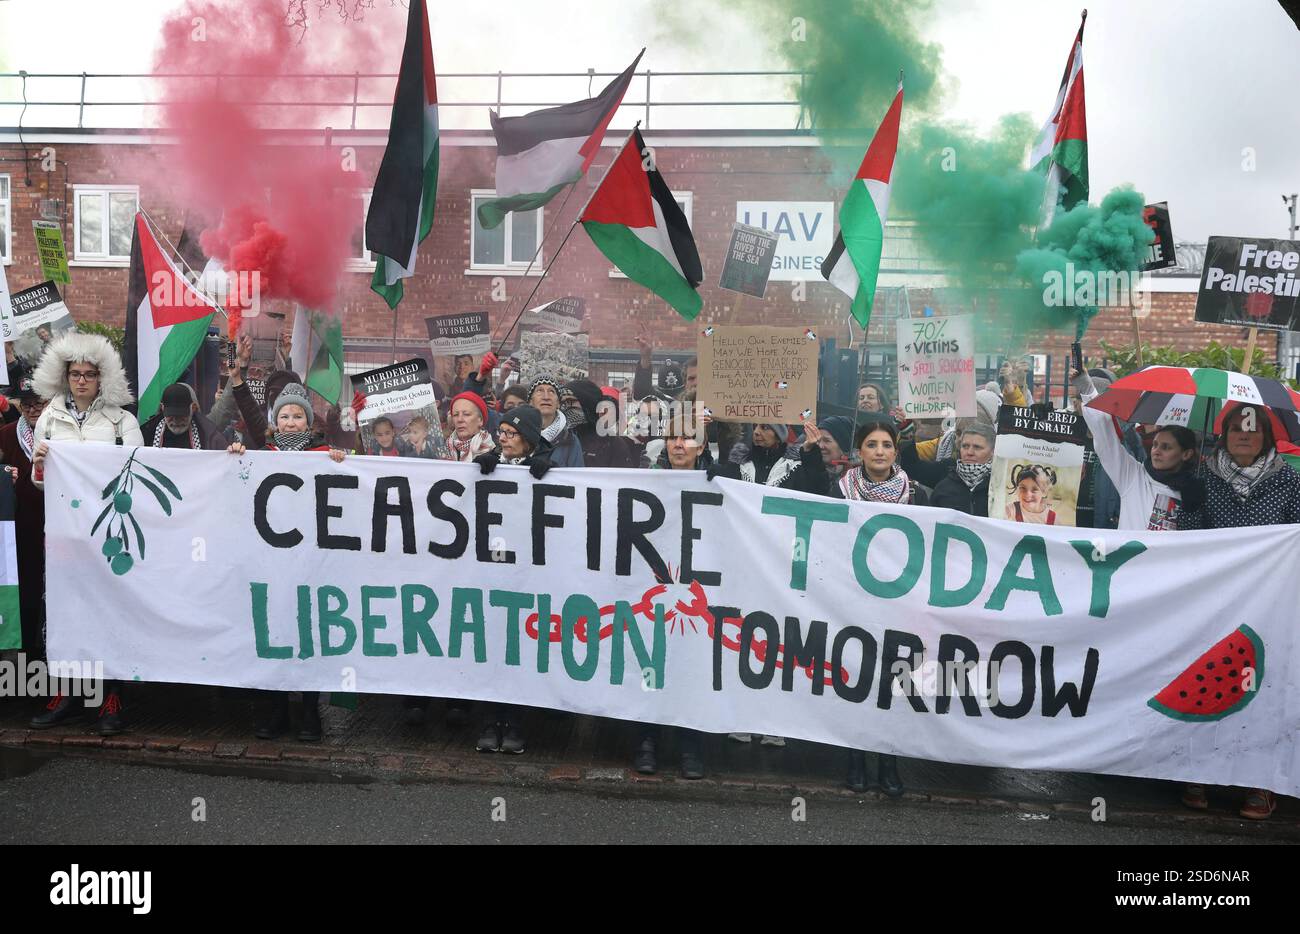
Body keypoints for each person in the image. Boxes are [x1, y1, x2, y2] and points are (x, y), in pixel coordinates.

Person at [1177, 402, 1300, 819]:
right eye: (1235, 430)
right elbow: (1187, 535)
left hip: (1271, 604)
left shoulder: (1290, 482)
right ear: (1224, 435)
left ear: (1266, 436)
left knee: (1263, 690)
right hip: (1216, 601)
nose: (1243, 436)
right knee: (1208, 684)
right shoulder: (1203, 479)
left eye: (1252, 429)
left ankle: (1259, 781)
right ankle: (1198, 773)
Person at [29, 332, 145, 735]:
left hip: (110, 536)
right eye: (75, 373)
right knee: (64, 611)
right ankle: (67, 694)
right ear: (65, 376)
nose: (81, 381)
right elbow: (40, 481)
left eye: (89, 374)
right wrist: (41, 462)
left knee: (109, 613)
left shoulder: (122, 421)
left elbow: (137, 476)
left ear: (102, 377)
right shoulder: (49, 417)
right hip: (64, 537)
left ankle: (109, 697)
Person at [806, 415, 924, 796]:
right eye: (872, 445)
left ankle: (888, 763)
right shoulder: (838, 490)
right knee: (855, 678)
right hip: (851, 600)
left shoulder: (918, 494)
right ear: (860, 451)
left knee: (891, 682)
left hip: (898, 603)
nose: (879, 451)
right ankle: (855, 760)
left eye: (886, 445)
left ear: (895, 451)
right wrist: (809, 453)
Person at [225, 382, 346, 741]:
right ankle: (273, 709)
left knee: (307, 633)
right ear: (275, 422)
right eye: (284, 416)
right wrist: (237, 453)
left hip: (310, 561)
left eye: (297, 416)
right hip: (270, 562)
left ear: (308, 423)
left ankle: (309, 711)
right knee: (272, 632)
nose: (291, 421)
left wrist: (340, 461)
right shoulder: (261, 452)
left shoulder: (325, 453)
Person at [636, 411, 740, 779]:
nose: (679, 444)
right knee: (651, 664)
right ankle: (646, 740)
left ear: (701, 444)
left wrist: (727, 481)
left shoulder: (719, 479)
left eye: (688, 437)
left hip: (697, 594)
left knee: (691, 669)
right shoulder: (646, 479)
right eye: (673, 437)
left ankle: (690, 745)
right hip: (652, 589)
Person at [470, 405, 554, 755]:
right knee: (491, 648)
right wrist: (481, 466)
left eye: (510, 433)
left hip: (527, 577)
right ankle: (490, 721)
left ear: (529, 440)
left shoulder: (549, 469)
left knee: (518, 649)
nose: (502, 438)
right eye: (500, 432)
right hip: (491, 572)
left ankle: (515, 722)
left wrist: (553, 474)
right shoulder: (489, 462)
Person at [1074, 368, 1202, 531]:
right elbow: (1106, 438)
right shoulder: (1134, 477)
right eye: (1155, 445)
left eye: (1166, 447)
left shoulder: (1198, 493)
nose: (1156, 451)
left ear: (1186, 453)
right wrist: (1086, 387)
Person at [0, 374, 49, 659]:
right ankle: (25, 653)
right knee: (24, 592)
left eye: (39, 403)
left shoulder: (56, 431)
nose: (33, 410)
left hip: (54, 526)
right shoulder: (5, 435)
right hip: (18, 531)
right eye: (27, 404)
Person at [901, 422, 996, 516]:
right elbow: (913, 467)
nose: (969, 452)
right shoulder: (945, 482)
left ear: (993, 451)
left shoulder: (1003, 486)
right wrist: (906, 431)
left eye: (977, 447)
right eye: (965, 446)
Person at [562, 379, 640, 469]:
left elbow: (623, 480)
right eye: (562, 402)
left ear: (587, 403)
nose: (565, 407)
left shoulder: (613, 444)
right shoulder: (558, 440)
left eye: (570, 401)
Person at [141, 383, 230, 450]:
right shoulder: (147, 435)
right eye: (171, 416)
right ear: (162, 408)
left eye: (181, 416)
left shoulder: (208, 435)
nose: (176, 421)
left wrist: (233, 452)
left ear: (193, 408)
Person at [528, 375, 584, 468]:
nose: (546, 397)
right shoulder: (517, 434)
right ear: (530, 401)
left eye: (551, 391)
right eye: (539, 391)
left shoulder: (570, 440)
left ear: (558, 403)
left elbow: (577, 479)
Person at [446, 391, 495, 462]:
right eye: (455, 415)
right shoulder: (442, 450)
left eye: (466, 414)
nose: (459, 420)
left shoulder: (495, 454)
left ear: (480, 420)